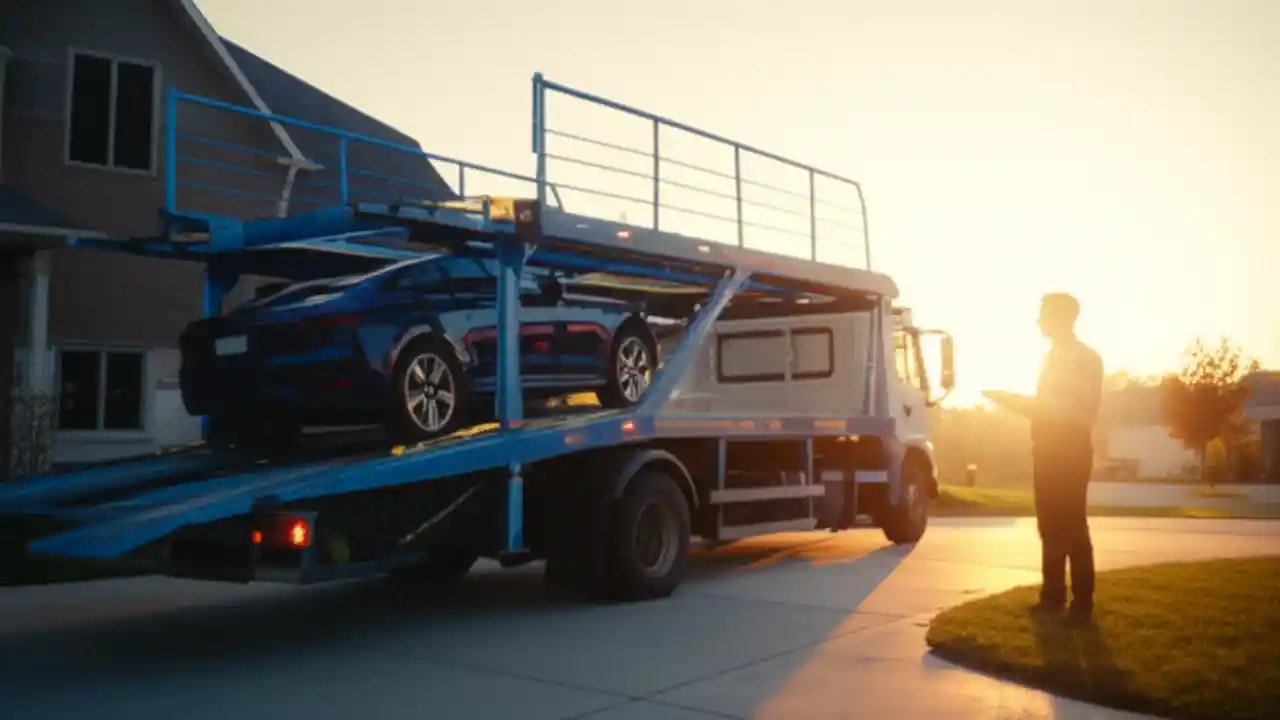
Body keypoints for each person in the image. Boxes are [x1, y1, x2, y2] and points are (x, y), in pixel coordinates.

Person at [984, 293, 1103, 625]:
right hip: (1048, 450)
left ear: (1060, 317)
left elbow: (1075, 410)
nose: (1038, 321)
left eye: (1043, 315)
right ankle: (1052, 597)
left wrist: (1018, 403)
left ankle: (1081, 603)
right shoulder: (1050, 357)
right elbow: (1049, 407)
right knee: (1049, 525)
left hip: (1071, 451)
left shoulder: (1084, 358)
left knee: (1072, 525)